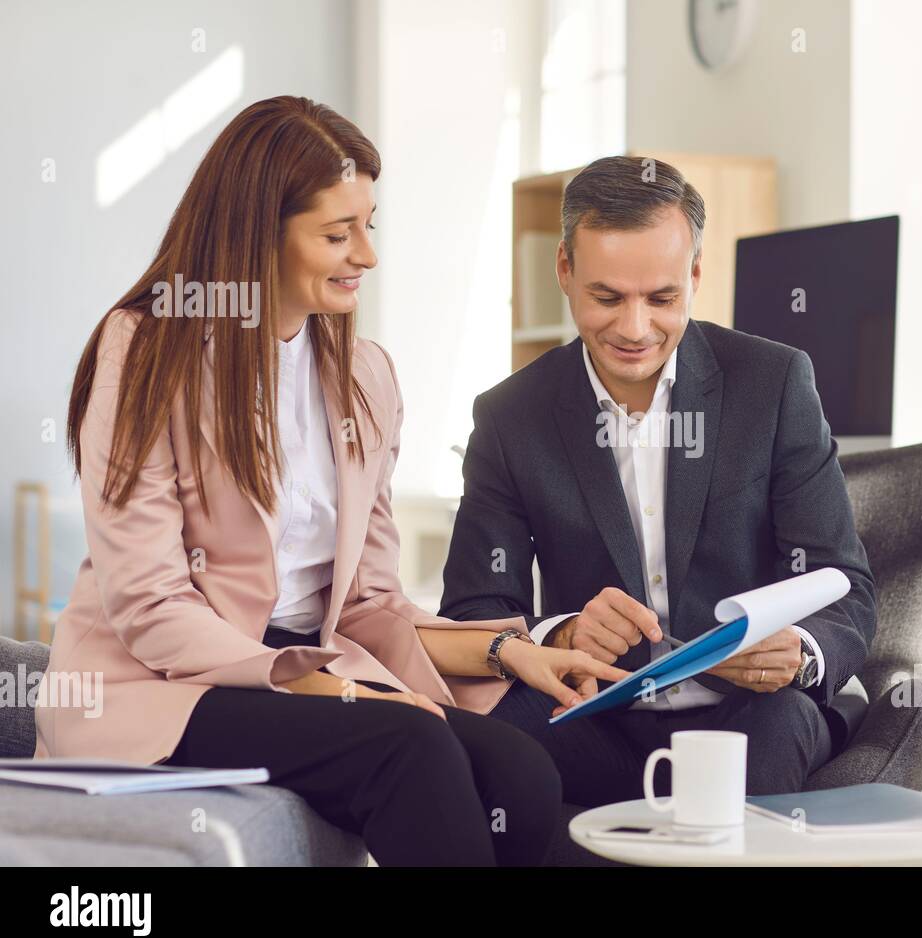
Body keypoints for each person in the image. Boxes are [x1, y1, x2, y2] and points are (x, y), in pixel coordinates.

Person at [34, 96, 624, 867]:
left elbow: (371, 604)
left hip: (304, 664)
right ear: (258, 234)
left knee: (520, 770)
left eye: (368, 226)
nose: (367, 256)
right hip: (162, 683)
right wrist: (329, 691)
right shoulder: (144, 351)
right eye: (337, 234)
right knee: (409, 745)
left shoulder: (363, 376)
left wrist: (510, 652)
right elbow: (151, 607)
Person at [439, 156, 877, 808]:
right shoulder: (510, 417)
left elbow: (845, 585)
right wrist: (561, 635)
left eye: (662, 298)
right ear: (565, 269)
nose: (635, 328)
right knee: (484, 751)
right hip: (595, 714)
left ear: (696, 274)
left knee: (776, 727)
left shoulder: (774, 384)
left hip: (749, 714)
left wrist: (802, 651)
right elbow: (473, 613)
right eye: (607, 297)